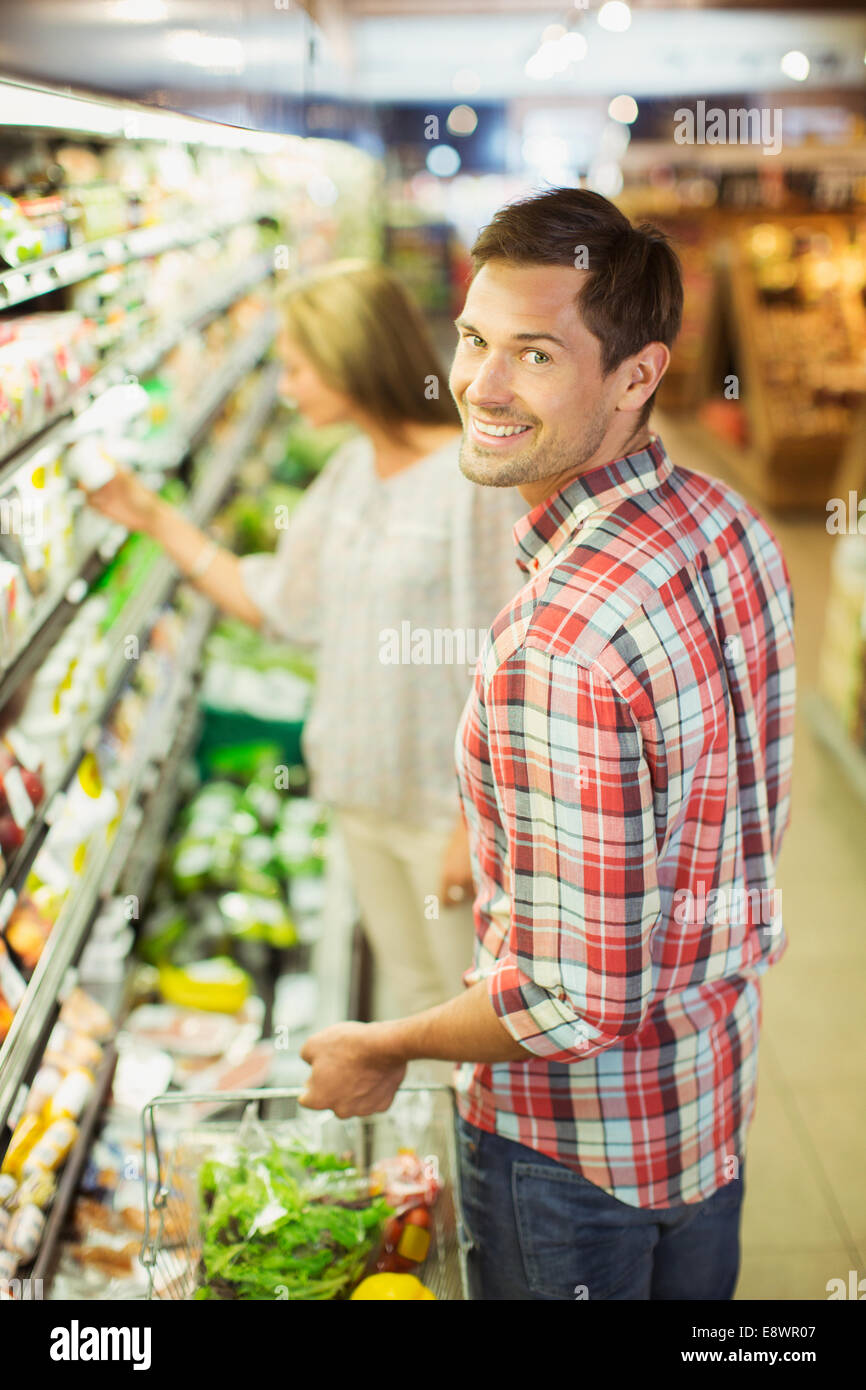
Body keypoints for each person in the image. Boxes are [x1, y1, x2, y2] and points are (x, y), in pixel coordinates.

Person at [298, 189, 797, 1302]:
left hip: (567, 1161)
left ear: (635, 375)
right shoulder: (726, 527)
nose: (478, 383)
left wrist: (385, 1043)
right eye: (473, 338)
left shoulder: (559, 642)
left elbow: (567, 1001)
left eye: (534, 353)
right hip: (706, 1099)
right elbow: (736, 816)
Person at [83, 260, 523, 1019]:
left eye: (296, 367)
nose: (284, 387)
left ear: (350, 358)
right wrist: (150, 516)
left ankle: (476, 1140)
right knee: (411, 1001)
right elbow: (278, 601)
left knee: (470, 1012)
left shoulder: (473, 485)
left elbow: (509, 665)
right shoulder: (352, 471)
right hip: (359, 796)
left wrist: (473, 824)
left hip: (442, 815)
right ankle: (424, 1140)